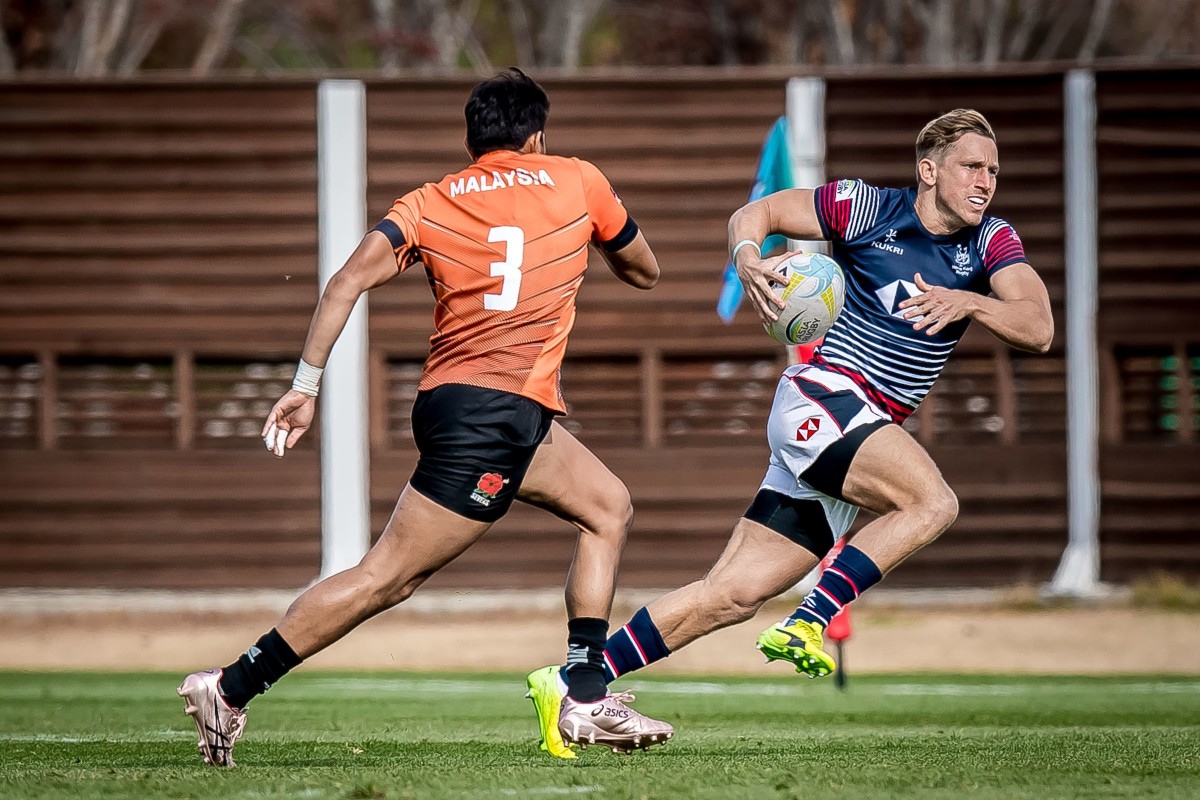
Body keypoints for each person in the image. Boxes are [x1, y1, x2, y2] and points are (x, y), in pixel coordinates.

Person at [177, 68, 675, 768]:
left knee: (606, 507)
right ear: (536, 137)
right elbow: (645, 270)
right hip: (495, 413)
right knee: (387, 577)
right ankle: (230, 687)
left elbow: (345, 280)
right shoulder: (578, 179)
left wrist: (305, 385)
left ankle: (584, 690)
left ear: (472, 142)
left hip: (469, 404)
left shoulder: (429, 201)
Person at [526, 108, 1054, 758]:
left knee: (730, 596)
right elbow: (759, 213)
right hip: (825, 398)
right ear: (929, 170)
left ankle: (575, 683)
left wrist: (970, 301)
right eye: (972, 166)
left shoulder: (992, 242)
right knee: (931, 503)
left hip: (859, 430)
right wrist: (747, 259)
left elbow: (1038, 327)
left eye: (993, 170)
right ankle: (811, 618)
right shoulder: (867, 208)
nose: (985, 181)